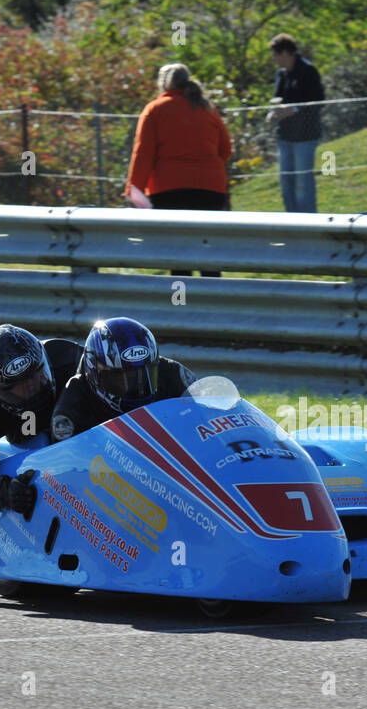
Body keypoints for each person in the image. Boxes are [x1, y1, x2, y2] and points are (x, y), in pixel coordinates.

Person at [0, 324, 82, 514]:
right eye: (17, 386)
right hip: (30, 444)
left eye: (36, 376)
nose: (31, 388)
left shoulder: (71, 357)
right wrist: (4, 492)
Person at [126, 63, 233, 277]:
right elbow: (226, 149)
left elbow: (143, 154)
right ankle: (214, 301)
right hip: (210, 189)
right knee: (208, 249)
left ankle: (182, 304)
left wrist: (134, 190)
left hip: (169, 190)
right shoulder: (207, 108)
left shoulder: (155, 109)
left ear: (162, 84)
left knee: (179, 253)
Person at [51, 318, 197, 441]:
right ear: (95, 375)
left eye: (144, 376)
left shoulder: (172, 373)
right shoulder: (73, 404)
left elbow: (206, 411)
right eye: (120, 379)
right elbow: (63, 462)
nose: (136, 386)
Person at [268, 33, 325, 213]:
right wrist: (273, 113)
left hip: (305, 137)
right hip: (285, 135)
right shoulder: (281, 74)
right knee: (286, 182)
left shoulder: (308, 71)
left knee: (303, 183)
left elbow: (318, 100)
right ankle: (292, 222)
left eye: (276, 55)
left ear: (285, 53)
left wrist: (293, 109)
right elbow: (279, 99)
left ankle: (308, 225)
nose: (274, 59)